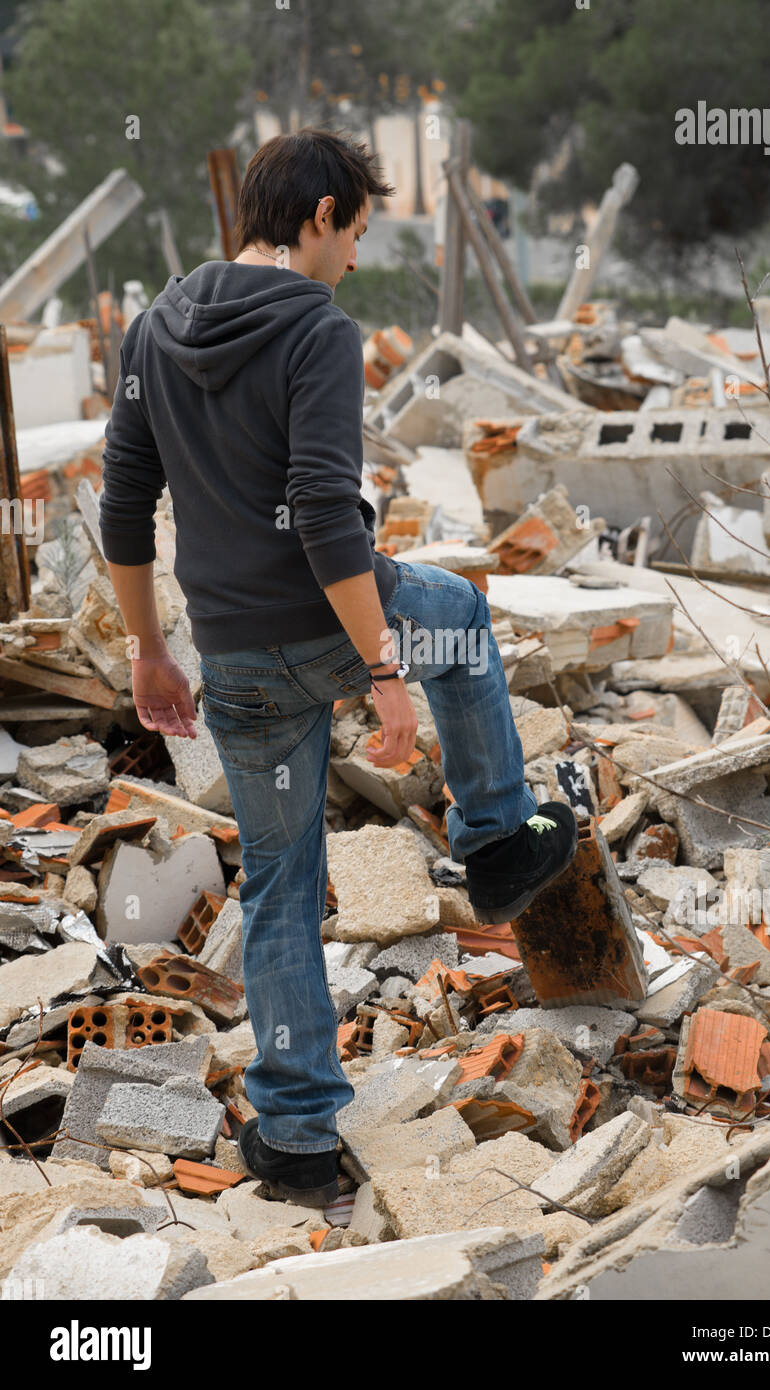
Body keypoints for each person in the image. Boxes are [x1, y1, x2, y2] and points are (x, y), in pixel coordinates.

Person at [99, 128, 577, 1206]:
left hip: (236, 661)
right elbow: (323, 512)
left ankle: (299, 1134)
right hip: (328, 631)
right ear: (317, 216)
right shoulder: (317, 328)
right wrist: (386, 671)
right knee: (453, 608)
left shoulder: (154, 329)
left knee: (276, 886)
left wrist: (149, 651)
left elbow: (125, 505)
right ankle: (498, 839)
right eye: (355, 231)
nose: (357, 257)